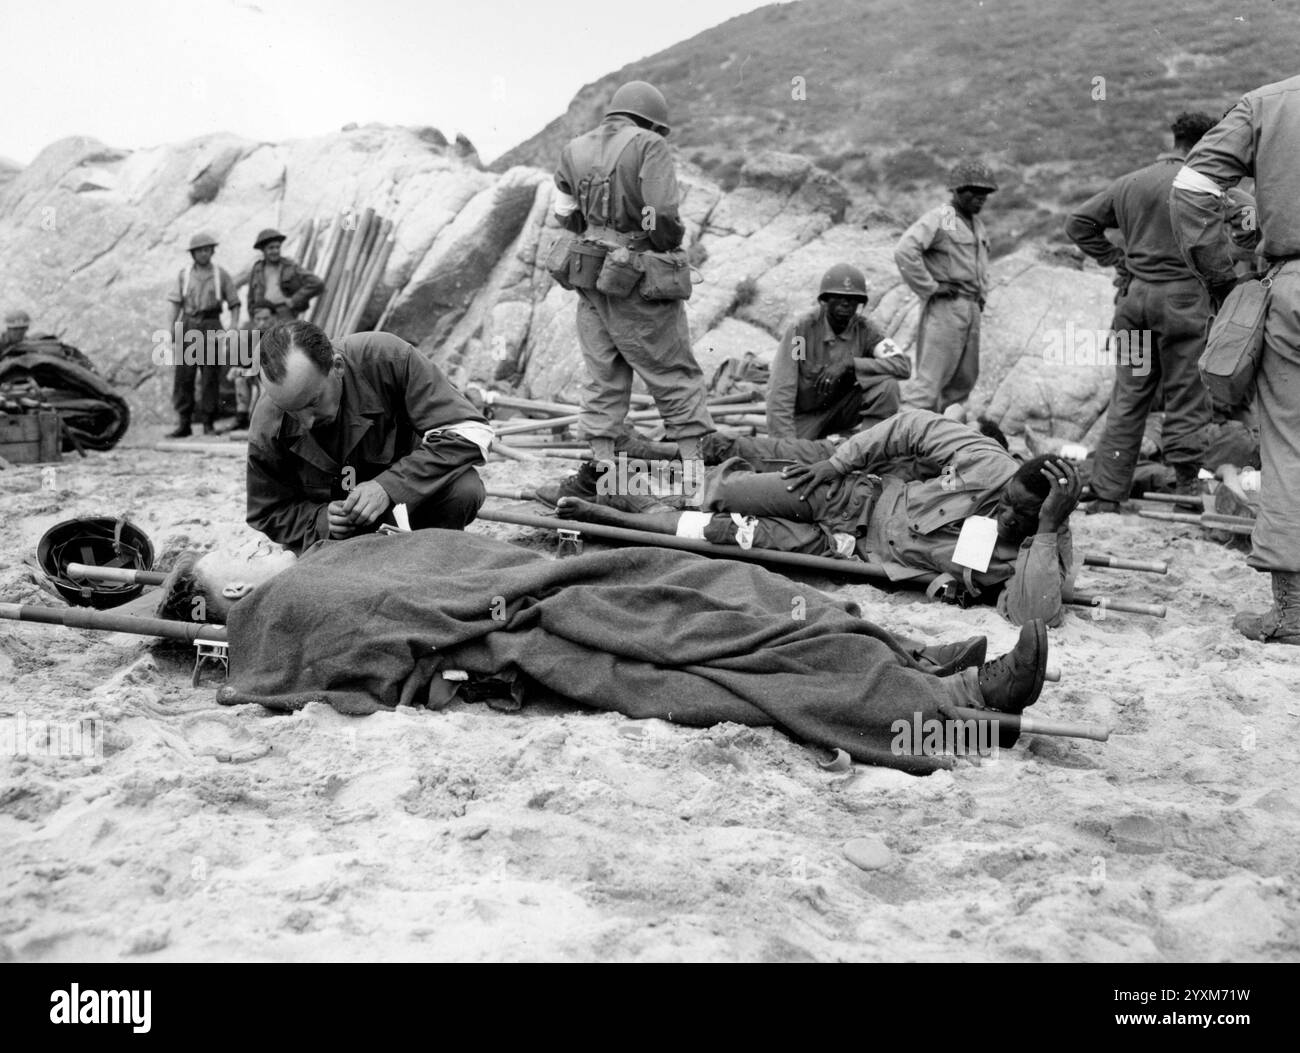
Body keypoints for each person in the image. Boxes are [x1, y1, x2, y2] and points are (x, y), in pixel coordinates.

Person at [157, 528, 1054, 773]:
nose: (240, 562)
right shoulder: (288, 603)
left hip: (534, 575)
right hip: (525, 624)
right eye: (218, 572)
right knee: (708, 655)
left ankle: (917, 654)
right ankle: (958, 713)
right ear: (221, 597)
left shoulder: (319, 561)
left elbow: (443, 555)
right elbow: (386, 636)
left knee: (709, 580)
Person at [553, 408, 1081, 627]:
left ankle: (605, 509)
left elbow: (1032, 615)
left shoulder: (1046, 550)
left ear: (1052, 513)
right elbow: (912, 424)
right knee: (728, 491)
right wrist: (837, 463)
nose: (1007, 513)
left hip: (846, 554)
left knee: (717, 533)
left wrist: (1047, 530)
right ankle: (613, 481)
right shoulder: (991, 463)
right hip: (853, 499)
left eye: (1023, 514)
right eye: (1007, 500)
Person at [1170, 75, 1300, 645]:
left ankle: (1293, 612)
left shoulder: (1271, 103)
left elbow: (1193, 188)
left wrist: (1225, 277)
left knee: (1290, 444)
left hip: (1294, 289)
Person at [553, 80, 714, 489]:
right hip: (636, 275)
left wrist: (595, 231)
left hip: (590, 277)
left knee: (602, 374)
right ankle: (695, 481)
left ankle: (605, 476)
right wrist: (665, 246)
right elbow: (659, 212)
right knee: (673, 370)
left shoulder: (574, 149)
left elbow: (564, 212)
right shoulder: (649, 145)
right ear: (651, 121)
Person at [1065, 112, 1220, 514]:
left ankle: (1106, 494)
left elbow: (1079, 223)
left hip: (1133, 303)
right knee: (1187, 394)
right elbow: (1245, 226)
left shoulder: (1131, 182)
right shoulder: (1203, 182)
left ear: (1176, 139)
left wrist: (1117, 257)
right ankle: (1186, 492)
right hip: (1183, 305)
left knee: (1129, 396)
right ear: (1206, 141)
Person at [246, 321, 490, 554]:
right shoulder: (267, 421)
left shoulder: (387, 358)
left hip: (409, 505)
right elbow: (266, 511)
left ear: (337, 367)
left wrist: (389, 487)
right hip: (339, 539)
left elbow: (469, 431)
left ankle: (435, 554)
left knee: (464, 489)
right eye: (291, 410)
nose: (307, 422)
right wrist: (321, 519)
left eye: (313, 402)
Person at [895, 160, 997, 413]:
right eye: (973, 191)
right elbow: (905, 251)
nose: (980, 198)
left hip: (970, 307)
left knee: (963, 382)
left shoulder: (976, 224)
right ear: (957, 190)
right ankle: (899, 438)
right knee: (930, 382)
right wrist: (930, 287)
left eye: (985, 193)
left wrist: (981, 296)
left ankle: (944, 440)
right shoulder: (945, 217)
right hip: (946, 308)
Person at [766, 263, 911, 440]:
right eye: (839, 297)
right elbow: (781, 391)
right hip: (805, 417)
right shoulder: (802, 332)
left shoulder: (866, 331)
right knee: (794, 454)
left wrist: (851, 364)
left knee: (887, 386)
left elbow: (902, 365)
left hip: (842, 410)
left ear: (860, 303)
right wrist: (785, 444)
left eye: (852, 299)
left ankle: (869, 448)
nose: (845, 303)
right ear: (825, 300)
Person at [164, 232, 241, 438]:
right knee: (184, 376)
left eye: (207, 250)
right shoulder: (184, 274)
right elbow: (175, 303)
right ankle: (184, 423)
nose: (204, 254)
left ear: (212, 251)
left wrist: (233, 326)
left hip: (211, 325)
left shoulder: (220, 274)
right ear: (193, 254)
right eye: (200, 251)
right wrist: (171, 328)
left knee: (210, 376)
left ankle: (208, 422)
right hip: (188, 324)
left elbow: (234, 303)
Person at [248, 228, 324, 322]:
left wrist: (294, 300)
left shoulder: (290, 266)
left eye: (278, 247)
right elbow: (251, 297)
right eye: (271, 248)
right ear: (263, 250)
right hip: (264, 314)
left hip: (284, 313)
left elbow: (317, 283)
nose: (275, 251)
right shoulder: (257, 269)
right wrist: (252, 316)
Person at [228, 300, 275, 432]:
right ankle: (241, 417)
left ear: (274, 317)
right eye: (258, 319)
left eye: (266, 319)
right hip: (258, 375)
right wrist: (239, 370)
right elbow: (244, 362)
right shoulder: (249, 337)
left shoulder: (281, 335)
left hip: (277, 377)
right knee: (239, 378)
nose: (262, 323)